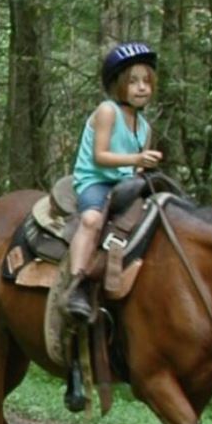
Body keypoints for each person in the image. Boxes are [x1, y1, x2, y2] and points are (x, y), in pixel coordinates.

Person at [66, 41, 162, 322]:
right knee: (92, 220)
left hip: (125, 185)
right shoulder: (108, 111)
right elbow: (100, 156)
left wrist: (144, 172)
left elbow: (136, 171)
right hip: (95, 180)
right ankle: (77, 284)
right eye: (133, 82)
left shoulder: (144, 126)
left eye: (146, 81)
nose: (141, 87)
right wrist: (137, 160)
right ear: (119, 84)